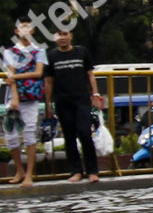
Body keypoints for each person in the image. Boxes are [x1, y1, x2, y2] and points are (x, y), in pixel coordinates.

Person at [43, 28, 103, 183]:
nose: (62, 38)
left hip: (81, 100)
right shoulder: (51, 56)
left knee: (85, 133)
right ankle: (76, 171)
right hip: (62, 101)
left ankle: (92, 170)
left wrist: (95, 94)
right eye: (59, 35)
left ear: (71, 36)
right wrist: (48, 104)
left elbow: (90, 75)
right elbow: (48, 81)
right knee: (69, 136)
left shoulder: (81, 52)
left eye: (65, 34)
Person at [3, 20, 49, 187]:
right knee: (11, 136)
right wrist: (14, 96)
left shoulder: (39, 51)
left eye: (28, 27)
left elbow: (38, 73)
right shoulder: (9, 52)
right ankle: (19, 170)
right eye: (22, 27)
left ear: (33, 30)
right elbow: (10, 74)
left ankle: (29, 173)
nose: (25, 30)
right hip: (14, 97)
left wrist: (15, 76)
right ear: (16, 31)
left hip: (31, 98)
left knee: (29, 134)